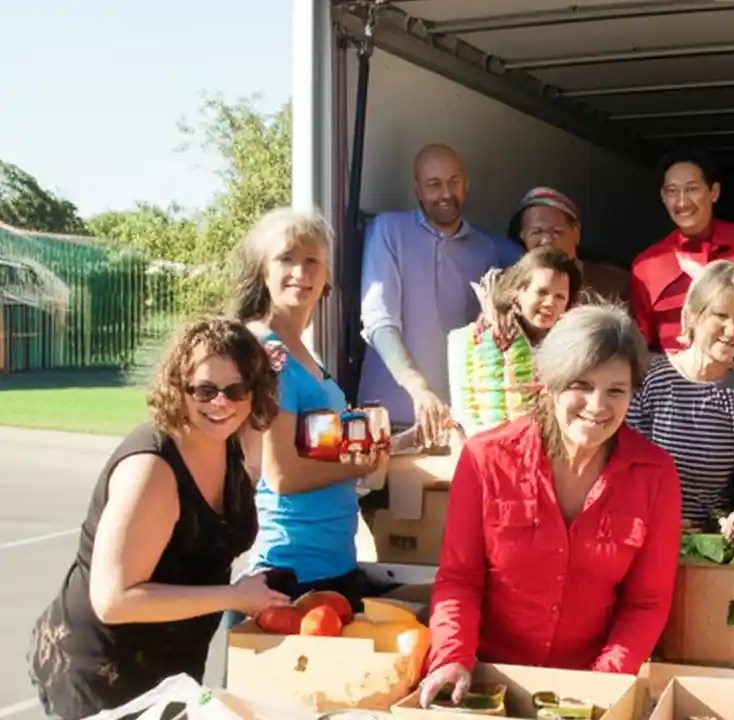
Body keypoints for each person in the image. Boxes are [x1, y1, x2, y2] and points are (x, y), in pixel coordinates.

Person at [418, 305, 682, 706]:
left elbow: (646, 602)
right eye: (582, 385)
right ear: (549, 384)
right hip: (486, 684)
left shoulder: (655, 474)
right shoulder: (485, 459)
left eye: (616, 391)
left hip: (589, 694)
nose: (597, 406)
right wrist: (452, 656)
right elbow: (460, 578)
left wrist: (599, 687)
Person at [27, 317, 288, 720]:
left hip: (169, 666)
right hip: (103, 674)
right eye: (205, 389)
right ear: (178, 388)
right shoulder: (151, 471)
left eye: (236, 389)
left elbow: (253, 446)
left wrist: (263, 369)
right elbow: (113, 601)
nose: (222, 402)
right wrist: (236, 596)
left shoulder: (228, 439)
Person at [233, 208, 387, 610]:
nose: (300, 271)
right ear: (262, 271)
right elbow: (282, 475)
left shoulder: (303, 351)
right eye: (286, 258)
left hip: (330, 566)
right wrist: (361, 463)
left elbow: (315, 444)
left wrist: (385, 442)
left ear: (327, 278)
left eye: (312, 261)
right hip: (290, 573)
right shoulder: (269, 353)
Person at [359, 143, 524, 447]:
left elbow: (543, 266)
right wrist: (418, 388)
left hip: (456, 427)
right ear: (417, 189)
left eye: (454, 182)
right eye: (434, 184)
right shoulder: (389, 230)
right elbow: (379, 322)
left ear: (467, 184)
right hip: (389, 420)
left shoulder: (488, 248)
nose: (446, 194)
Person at [627, 260, 734, 541]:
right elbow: (628, 462)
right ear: (693, 315)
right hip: (645, 530)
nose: (731, 330)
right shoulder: (648, 375)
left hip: (709, 537)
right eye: (720, 315)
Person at [629, 148, 734, 375]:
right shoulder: (646, 264)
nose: (682, 201)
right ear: (663, 197)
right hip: (672, 371)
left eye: (692, 189)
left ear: (713, 192)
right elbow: (641, 334)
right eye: (672, 191)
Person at [447, 246, 584, 436]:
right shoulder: (479, 340)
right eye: (542, 292)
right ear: (518, 291)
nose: (550, 302)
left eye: (560, 296)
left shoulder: (573, 346)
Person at [506, 186, 630, 302]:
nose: (546, 240)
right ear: (522, 235)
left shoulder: (613, 283)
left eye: (557, 232)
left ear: (576, 234)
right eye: (537, 232)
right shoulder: (509, 288)